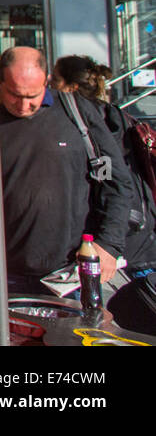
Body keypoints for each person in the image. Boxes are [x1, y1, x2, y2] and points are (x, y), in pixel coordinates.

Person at [0, 47, 136, 302]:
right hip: (1, 273)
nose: (24, 106)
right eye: (15, 95)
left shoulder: (77, 114)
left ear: (47, 81)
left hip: (68, 273)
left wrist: (108, 245)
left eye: (33, 96)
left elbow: (111, 180)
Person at [51, 54, 156, 333]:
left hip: (113, 238)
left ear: (70, 88)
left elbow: (111, 181)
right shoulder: (121, 116)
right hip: (142, 231)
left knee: (86, 322)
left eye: (54, 79)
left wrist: (107, 242)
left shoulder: (85, 122)